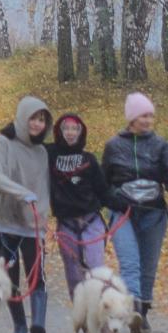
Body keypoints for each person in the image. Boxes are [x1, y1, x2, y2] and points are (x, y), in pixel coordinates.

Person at [103, 91, 168, 333]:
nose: (147, 121)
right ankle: (132, 309)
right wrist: (112, 200)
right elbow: (104, 181)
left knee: (148, 264)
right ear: (131, 118)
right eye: (143, 115)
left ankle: (142, 313)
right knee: (130, 262)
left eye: (150, 116)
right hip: (122, 212)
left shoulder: (160, 145)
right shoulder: (113, 146)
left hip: (153, 213)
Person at [0, 93, 53, 333]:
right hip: (3, 220)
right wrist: (21, 192)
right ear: (23, 117)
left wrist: (44, 218)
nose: (37, 124)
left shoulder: (42, 152)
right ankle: (19, 326)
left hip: (32, 225)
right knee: (8, 276)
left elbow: (44, 188)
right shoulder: (3, 142)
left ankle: (38, 325)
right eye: (34, 119)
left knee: (38, 273)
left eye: (42, 120)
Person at [47, 112, 110, 299]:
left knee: (96, 268)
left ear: (80, 132)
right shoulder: (49, 154)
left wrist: (122, 204)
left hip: (91, 220)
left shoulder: (88, 159)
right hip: (66, 224)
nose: (70, 133)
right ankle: (82, 316)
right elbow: (29, 143)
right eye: (66, 128)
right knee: (74, 275)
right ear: (59, 131)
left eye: (74, 129)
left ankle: (103, 315)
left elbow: (103, 190)